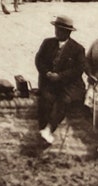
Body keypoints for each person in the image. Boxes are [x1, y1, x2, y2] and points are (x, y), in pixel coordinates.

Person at [35, 15, 86, 146]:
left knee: (64, 100)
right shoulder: (47, 43)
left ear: (68, 32)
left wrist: (60, 76)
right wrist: (47, 73)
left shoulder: (77, 49)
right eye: (56, 29)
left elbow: (78, 70)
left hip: (70, 85)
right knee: (45, 100)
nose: (57, 32)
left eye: (61, 30)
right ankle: (43, 131)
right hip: (50, 82)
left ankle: (49, 129)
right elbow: (39, 60)